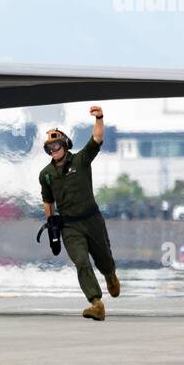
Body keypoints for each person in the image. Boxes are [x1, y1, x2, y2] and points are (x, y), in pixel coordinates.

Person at [39, 106, 120, 320]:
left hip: (92, 220)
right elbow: (48, 202)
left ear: (64, 144)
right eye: (49, 148)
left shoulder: (81, 160)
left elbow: (97, 138)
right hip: (69, 226)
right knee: (81, 261)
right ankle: (96, 303)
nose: (53, 150)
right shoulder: (46, 175)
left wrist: (100, 117)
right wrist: (52, 229)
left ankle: (110, 274)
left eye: (55, 145)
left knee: (104, 259)